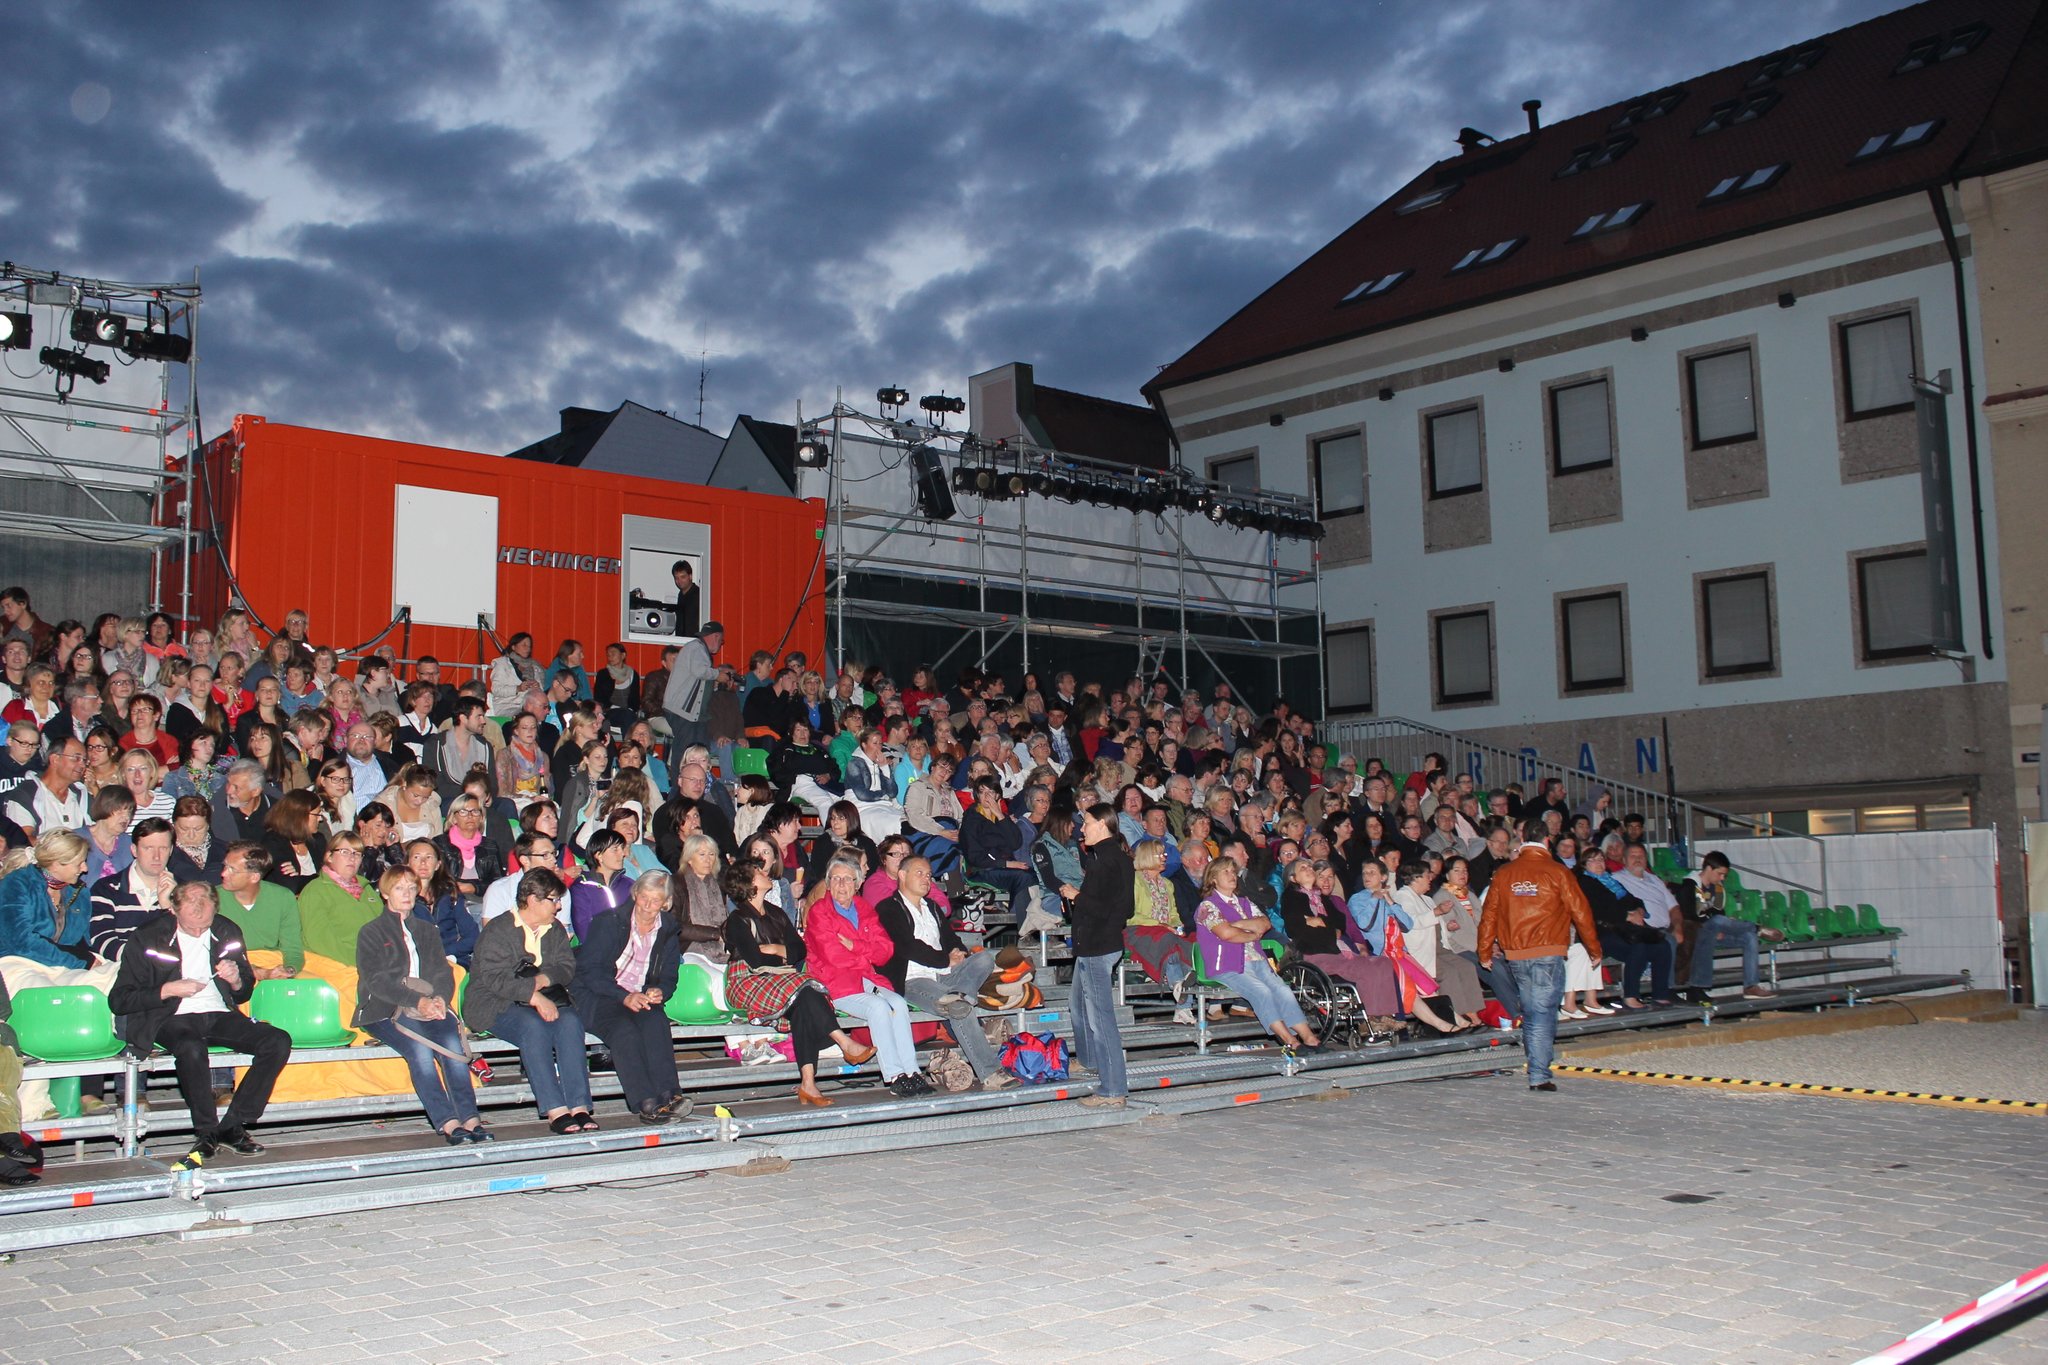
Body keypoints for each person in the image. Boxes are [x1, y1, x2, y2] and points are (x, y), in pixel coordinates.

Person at [108, 880, 292, 1170]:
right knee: (191, 1047)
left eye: (206, 900)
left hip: (218, 1012)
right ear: (175, 908)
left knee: (277, 1041)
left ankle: (233, 1124)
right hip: (168, 1015)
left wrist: (235, 980)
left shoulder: (226, 931)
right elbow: (119, 1000)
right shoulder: (149, 936)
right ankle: (206, 1132)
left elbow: (243, 992)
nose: (199, 907)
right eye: (192, 901)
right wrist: (168, 989)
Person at [722, 857, 876, 1108]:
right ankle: (844, 1041)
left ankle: (808, 1084)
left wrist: (775, 947)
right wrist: (782, 954)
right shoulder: (738, 919)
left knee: (805, 1001)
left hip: (782, 980)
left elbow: (799, 949)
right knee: (806, 986)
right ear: (748, 881)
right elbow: (754, 958)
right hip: (748, 980)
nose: (765, 873)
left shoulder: (776, 913)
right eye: (758, 871)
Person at [354, 866, 489, 1144]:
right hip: (384, 1010)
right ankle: (447, 1121)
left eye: (412, 888)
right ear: (385, 893)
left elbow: (441, 971)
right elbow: (377, 981)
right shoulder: (371, 931)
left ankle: (470, 1117)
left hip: (425, 1005)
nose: (408, 894)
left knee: (453, 1044)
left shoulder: (426, 930)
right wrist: (419, 1001)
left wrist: (439, 998)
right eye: (400, 888)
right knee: (420, 1050)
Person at [1471, 817, 1603, 1092]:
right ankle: (1539, 1073)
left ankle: (1535, 1064)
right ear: (1546, 841)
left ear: (1522, 841)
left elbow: (1489, 915)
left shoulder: (1505, 873)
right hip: (1548, 950)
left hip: (1516, 952)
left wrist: (1484, 950)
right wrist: (1594, 948)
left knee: (1531, 1010)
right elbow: (1582, 911)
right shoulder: (1557, 872)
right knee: (1543, 1012)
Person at [463, 867, 596, 1133]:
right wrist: (533, 996)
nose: (558, 907)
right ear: (533, 900)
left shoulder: (554, 929)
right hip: (495, 1001)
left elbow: (566, 967)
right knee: (533, 1028)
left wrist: (542, 981)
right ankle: (555, 1109)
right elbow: (494, 980)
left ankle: (579, 1105)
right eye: (553, 900)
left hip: (542, 996)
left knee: (570, 1021)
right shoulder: (499, 930)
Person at [875, 855, 1017, 1090]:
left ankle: (961, 994)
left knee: (983, 958)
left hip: (945, 974)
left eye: (929, 875)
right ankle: (991, 1073)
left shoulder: (931, 906)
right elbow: (907, 946)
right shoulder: (888, 907)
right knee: (961, 1010)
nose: (926, 879)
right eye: (919, 873)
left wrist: (958, 952)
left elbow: (950, 937)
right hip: (914, 979)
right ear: (902, 875)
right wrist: (945, 958)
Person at [572, 871, 696, 1124]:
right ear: (635, 894)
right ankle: (647, 1102)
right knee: (623, 1030)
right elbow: (589, 970)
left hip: (637, 995)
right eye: (645, 898)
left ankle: (669, 1094)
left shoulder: (668, 929)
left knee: (656, 1022)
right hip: (599, 994)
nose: (649, 906)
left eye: (656, 901)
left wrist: (660, 990)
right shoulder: (609, 921)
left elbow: (669, 974)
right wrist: (623, 995)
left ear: (666, 902)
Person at [802, 854, 928, 1098]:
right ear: (827, 883)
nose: (841, 885)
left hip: (867, 979)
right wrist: (865, 953)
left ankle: (912, 1072)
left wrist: (855, 946)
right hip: (835, 984)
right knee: (879, 1008)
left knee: (899, 1004)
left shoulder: (863, 908)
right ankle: (894, 1075)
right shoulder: (820, 912)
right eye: (836, 879)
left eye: (848, 879)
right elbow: (834, 957)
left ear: (858, 883)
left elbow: (886, 951)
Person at [1195, 857, 1321, 1052]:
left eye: (1233, 871)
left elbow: (1265, 924)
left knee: (1283, 991)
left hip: (1257, 960)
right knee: (1262, 992)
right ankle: (1290, 1041)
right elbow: (1226, 934)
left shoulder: (1245, 902)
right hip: (1227, 965)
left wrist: (1237, 925)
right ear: (1213, 879)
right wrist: (1249, 931)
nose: (1232, 875)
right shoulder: (1207, 906)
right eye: (1225, 872)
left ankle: (1309, 1038)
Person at [1282, 857, 1402, 1034]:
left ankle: (1384, 1015)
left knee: (1382, 962)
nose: (1309, 869)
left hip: (1337, 950)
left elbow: (1340, 923)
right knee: (1362, 968)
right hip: (1315, 955)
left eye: (1309, 866)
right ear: (1293, 878)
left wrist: (1318, 921)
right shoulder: (1291, 897)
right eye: (1303, 868)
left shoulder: (1323, 898)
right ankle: (1370, 1019)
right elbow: (1296, 928)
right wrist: (1326, 928)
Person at [1066, 802, 1133, 1107]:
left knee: (1101, 1018)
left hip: (1096, 946)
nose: (1082, 828)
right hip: (1100, 944)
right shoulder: (1118, 858)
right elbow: (1124, 908)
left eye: (1087, 823)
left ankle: (1112, 1088)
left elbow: (1102, 907)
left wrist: (1076, 895)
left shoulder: (1102, 861)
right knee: (1077, 1003)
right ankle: (1089, 1060)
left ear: (1102, 825)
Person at [1678, 851, 1783, 1001]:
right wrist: (1717, 925)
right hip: (1697, 931)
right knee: (1718, 921)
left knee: (1749, 937)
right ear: (1709, 869)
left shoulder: (1718, 888)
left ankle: (1751, 986)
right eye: (1720, 874)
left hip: (1715, 931)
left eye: (1724, 875)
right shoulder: (1689, 886)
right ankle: (1756, 927)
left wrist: (1722, 926)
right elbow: (1689, 916)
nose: (1722, 878)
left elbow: (1719, 911)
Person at [86, 815, 177, 964]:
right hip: (118, 968)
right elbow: (101, 939)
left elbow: (188, 940)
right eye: (148, 848)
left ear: (171, 850)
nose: (156, 856)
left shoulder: (184, 891)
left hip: (169, 969)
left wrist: (167, 907)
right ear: (134, 850)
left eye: (163, 848)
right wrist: (142, 961)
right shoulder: (106, 889)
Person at [1126, 840, 1196, 1023]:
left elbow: (1173, 913)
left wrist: (1176, 926)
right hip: (1138, 929)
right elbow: (1130, 914)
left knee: (1188, 940)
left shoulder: (1167, 884)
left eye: (1164, 854)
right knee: (1167, 940)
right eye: (1160, 854)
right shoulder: (1134, 880)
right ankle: (1182, 993)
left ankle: (1182, 998)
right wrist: (1159, 924)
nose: (1165, 858)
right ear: (1147, 856)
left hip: (1163, 931)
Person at [217, 842, 306, 979]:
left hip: (274, 962)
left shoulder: (282, 897)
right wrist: (259, 972)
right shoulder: (212, 899)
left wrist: (288, 970)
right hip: (232, 969)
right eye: (225, 866)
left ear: (254, 877)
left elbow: (292, 948)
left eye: (232, 870)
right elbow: (213, 953)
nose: (223, 873)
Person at [297, 832, 384, 968]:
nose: (352, 858)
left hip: (375, 962)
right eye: (345, 852)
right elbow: (320, 940)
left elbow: (387, 927)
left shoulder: (367, 890)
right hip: (335, 965)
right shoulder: (316, 891)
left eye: (357, 853)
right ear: (329, 857)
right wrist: (361, 961)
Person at [405, 838, 478, 969]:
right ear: (408, 864)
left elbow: (472, 936)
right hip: (419, 964)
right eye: (416, 857)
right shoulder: (401, 899)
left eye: (429, 857)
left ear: (438, 865)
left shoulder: (450, 894)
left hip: (455, 961)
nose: (423, 862)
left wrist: (446, 954)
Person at [661, 620, 722, 752]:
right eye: (721, 641)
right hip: (682, 711)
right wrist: (718, 674)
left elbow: (699, 682)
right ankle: (678, 773)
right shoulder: (697, 647)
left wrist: (715, 684)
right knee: (684, 750)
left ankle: (692, 772)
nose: (720, 645)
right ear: (716, 636)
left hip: (692, 714)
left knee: (697, 751)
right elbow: (700, 671)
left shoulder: (698, 649)